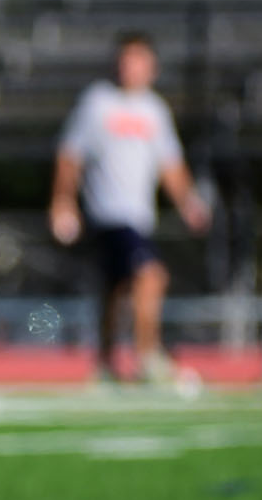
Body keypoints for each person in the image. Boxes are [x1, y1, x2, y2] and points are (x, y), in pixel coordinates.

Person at [49, 31, 210, 384]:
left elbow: (170, 165)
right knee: (150, 275)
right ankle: (147, 356)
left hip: (139, 218)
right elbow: (69, 156)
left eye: (138, 61)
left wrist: (188, 202)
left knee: (116, 289)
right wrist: (63, 202)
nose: (130, 68)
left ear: (151, 67)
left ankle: (106, 364)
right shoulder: (97, 103)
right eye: (125, 60)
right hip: (107, 214)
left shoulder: (155, 110)